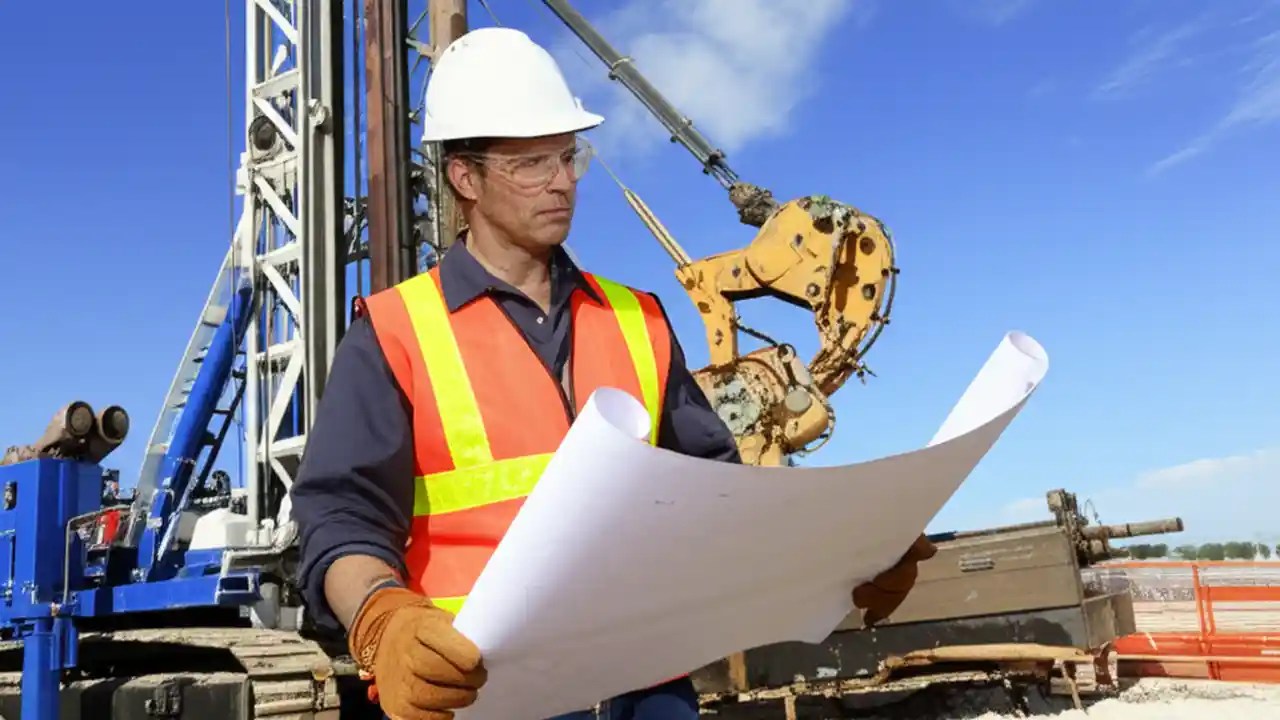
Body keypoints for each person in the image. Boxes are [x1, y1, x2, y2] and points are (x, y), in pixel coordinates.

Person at [289, 26, 936, 720]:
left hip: (649, 690)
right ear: (464, 176)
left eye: (569, 156)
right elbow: (340, 515)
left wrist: (843, 559)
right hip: (482, 696)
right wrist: (381, 617)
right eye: (533, 163)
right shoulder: (394, 332)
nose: (563, 181)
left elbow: (722, 501)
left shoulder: (640, 320)